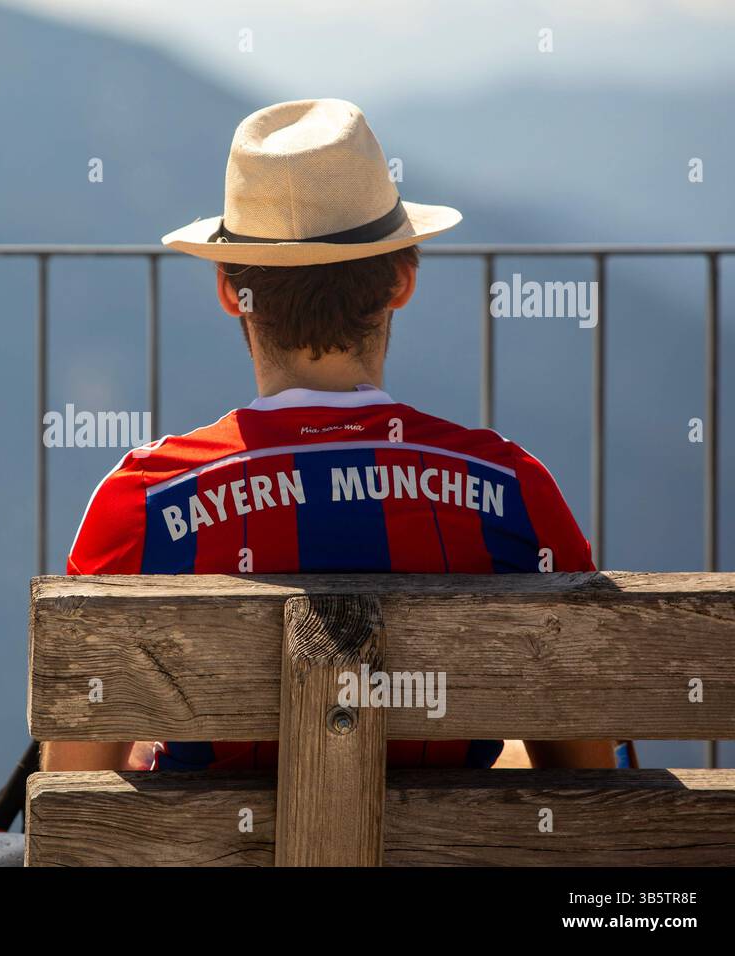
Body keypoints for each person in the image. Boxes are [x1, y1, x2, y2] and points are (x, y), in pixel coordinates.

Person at [42, 99, 618, 774]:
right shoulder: (515, 494)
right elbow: (586, 780)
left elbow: (72, 798)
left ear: (230, 289)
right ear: (402, 280)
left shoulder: (139, 505)